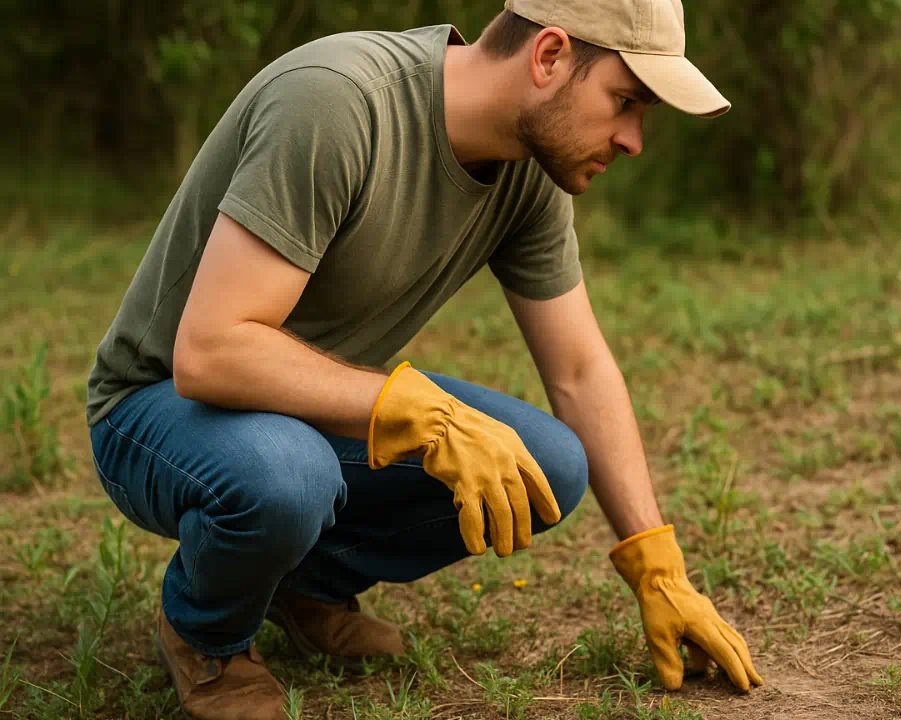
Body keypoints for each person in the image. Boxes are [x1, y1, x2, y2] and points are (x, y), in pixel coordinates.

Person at [84, 0, 763, 717]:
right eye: (625, 102)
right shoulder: (338, 101)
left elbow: (580, 371)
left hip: (303, 411)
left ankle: (301, 582)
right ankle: (206, 637)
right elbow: (210, 352)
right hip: (159, 409)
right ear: (550, 56)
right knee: (289, 475)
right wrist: (419, 412)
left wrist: (657, 567)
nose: (633, 140)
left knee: (550, 467)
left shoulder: (529, 173)